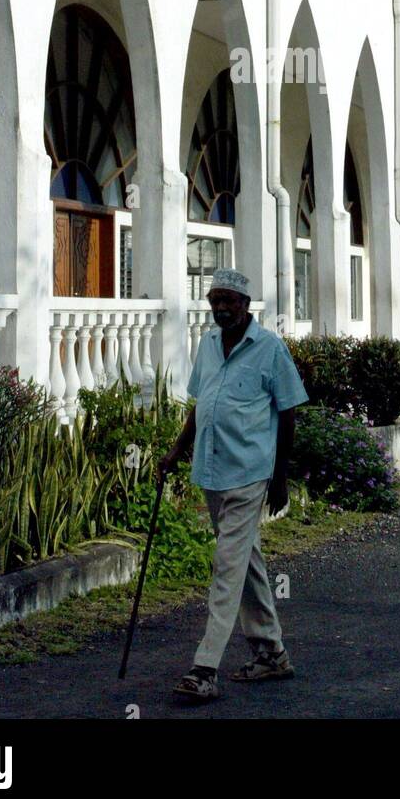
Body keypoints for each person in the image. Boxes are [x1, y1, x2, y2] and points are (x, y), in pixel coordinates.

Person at [157, 267, 309, 702]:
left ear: (246, 305)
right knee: (246, 562)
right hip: (211, 472)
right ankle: (271, 652)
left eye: (229, 301)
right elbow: (201, 405)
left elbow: (288, 414)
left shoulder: (269, 349)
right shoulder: (207, 345)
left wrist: (280, 479)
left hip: (249, 474)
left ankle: (204, 668)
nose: (221, 308)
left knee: (226, 567)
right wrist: (175, 452)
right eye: (215, 301)